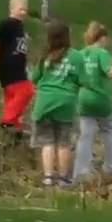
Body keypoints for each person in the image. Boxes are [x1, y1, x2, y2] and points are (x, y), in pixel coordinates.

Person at [29, 20, 84, 187]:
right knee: (63, 142)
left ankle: (47, 177)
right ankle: (63, 178)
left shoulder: (43, 55)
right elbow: (82, 79)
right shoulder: (76, 56)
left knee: (47, 142)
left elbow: (34, 78)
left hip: (45, 103)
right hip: (66, 104)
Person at [73, 22, 112, 182]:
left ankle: (81, 172)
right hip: (101, 100)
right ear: (102, 38)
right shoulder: (102, 54)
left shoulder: (80, 54)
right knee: (109, 130)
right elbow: (111, 73)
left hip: (83, 99)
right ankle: (110, 168)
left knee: (85, 136)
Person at [0, 0, 33, 138]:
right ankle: (7, 120)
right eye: (21, 9)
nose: (24, 12)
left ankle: (14, 128)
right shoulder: (6, 24)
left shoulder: (20, 26)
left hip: (19, 68)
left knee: (11, 98)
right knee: (27, 91)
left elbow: (19, 47)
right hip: (9, 67)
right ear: (12, 9)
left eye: (25, 9)